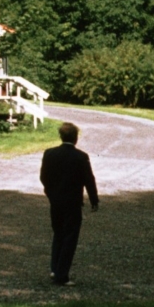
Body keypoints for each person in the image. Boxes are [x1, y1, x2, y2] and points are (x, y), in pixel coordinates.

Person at [40, 121, 99, 286]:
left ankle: (55, 268)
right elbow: (89, 179)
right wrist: (93, 199)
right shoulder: (81, 157)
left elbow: (43, 177)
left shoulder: (49, 154)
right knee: (70, 237)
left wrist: (50, 193)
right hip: (72, 202)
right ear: (75, 138)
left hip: (56, 201)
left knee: (58, 234)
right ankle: (61, 275)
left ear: (61, 136)